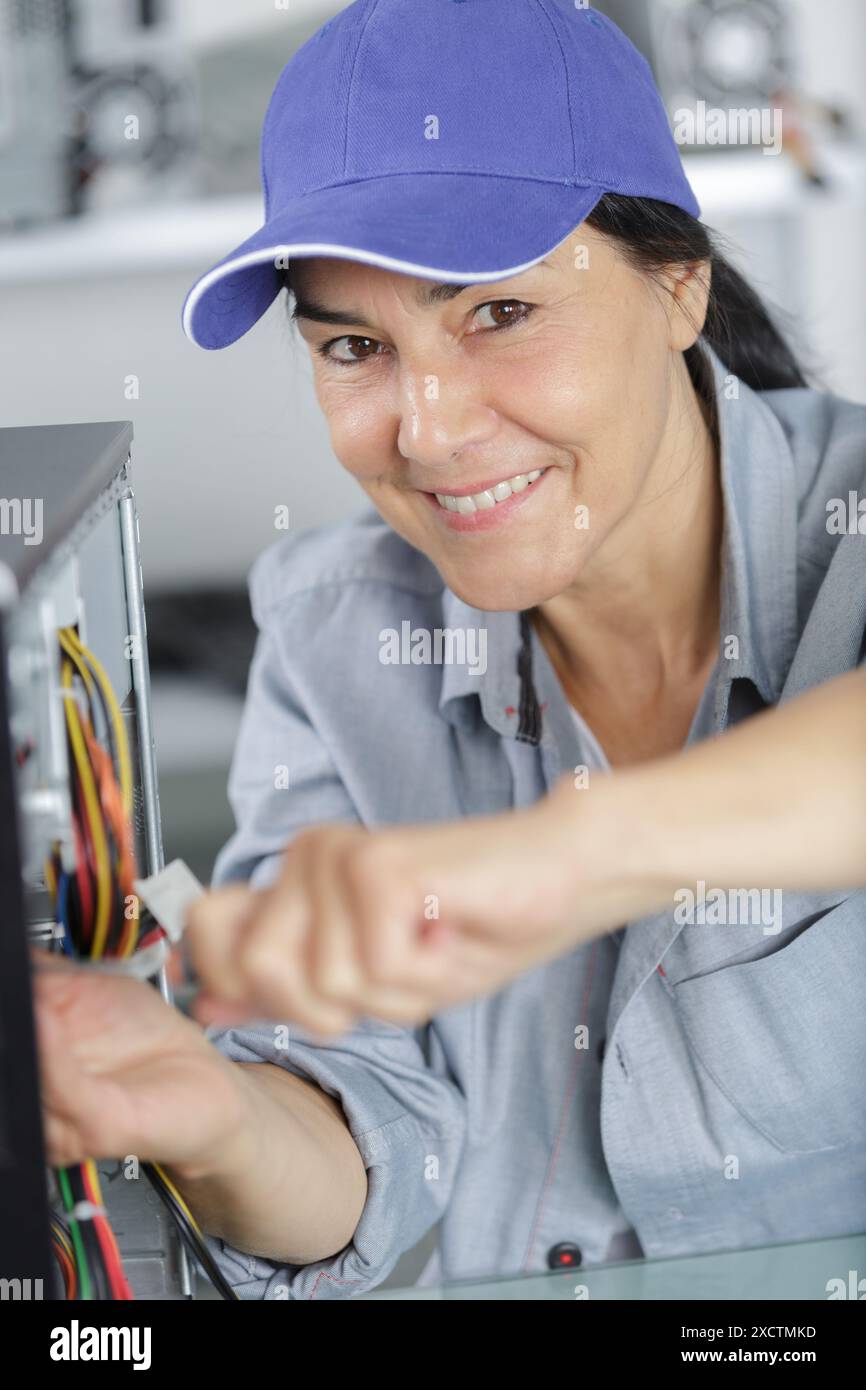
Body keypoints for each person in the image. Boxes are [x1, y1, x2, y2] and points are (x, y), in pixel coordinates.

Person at [36, 0, 866, 1300]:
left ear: (677, 285)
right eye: (355, 347)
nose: (424, 428)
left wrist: (553, 861)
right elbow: (354, 1121)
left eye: (496, 314)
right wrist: (210, 1114)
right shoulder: (333, 635)